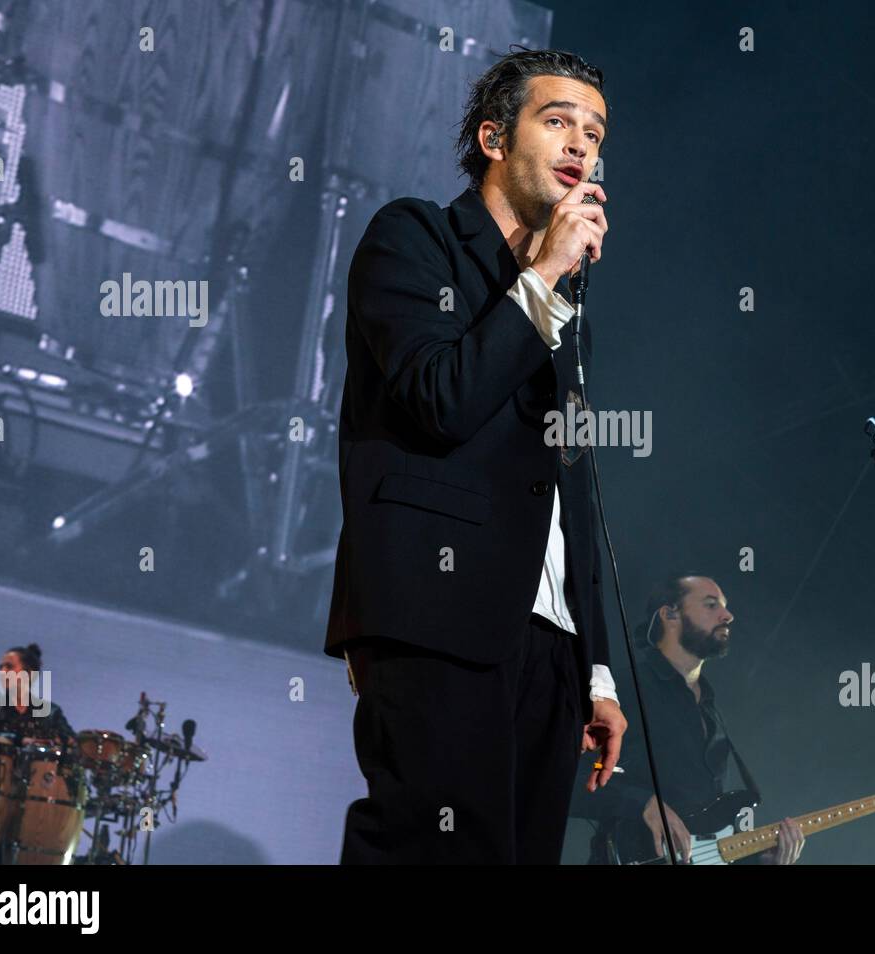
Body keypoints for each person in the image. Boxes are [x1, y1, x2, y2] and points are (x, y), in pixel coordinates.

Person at [324, 47, 628, 864]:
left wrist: (593, 668)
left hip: (549, 650)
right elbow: (441, 398)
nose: (580, 147)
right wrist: (542, 278)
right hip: (438, 613)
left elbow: (569, 496)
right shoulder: (414, 236)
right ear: (495, 137)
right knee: (429, 849)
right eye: (557, 121)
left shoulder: (566, 308)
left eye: (594, 135)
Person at [571, 575, 806, 865]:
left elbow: (708, 839)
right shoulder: (623, 690)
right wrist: (641, 803)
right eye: (711, 605)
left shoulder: (709, 706)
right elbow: (569, 778)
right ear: (669, 614)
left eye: (725, 607)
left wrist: (761, 862)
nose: (728, 616)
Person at [0, 643, 76, 746]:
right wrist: (20, 740)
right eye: (1, 667)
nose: (2, 672)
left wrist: (67, 740)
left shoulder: (51, 712)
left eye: (9, 667)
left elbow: (72, 740)